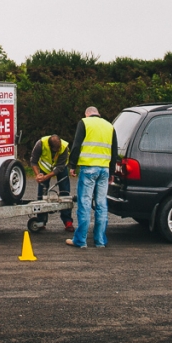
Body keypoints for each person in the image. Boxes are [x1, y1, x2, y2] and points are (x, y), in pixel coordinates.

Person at [66, 106, 118, 248]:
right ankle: (100, 240)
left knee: (85, 203)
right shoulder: (110, 126)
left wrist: (72, 165)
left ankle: (80, 240)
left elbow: (77, 145)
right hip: (104, 170)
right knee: (101, 204)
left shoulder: (84, 123)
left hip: (88, 168)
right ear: (98, 113)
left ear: (87, 114)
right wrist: (112, 172)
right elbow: (114, 151)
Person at [28, 134, 73, 231]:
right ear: (50, 147)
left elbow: (60, 167)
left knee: (65, 193)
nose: (57, 151)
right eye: (55, 149)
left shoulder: (64, 147)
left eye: (58, 148)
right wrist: (38, 175)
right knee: (42, 194)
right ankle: (41, 221)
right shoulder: (40, 144)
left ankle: (68, 221)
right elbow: (33, 161)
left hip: (61, 168)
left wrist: (47, 176)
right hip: (45, 168)